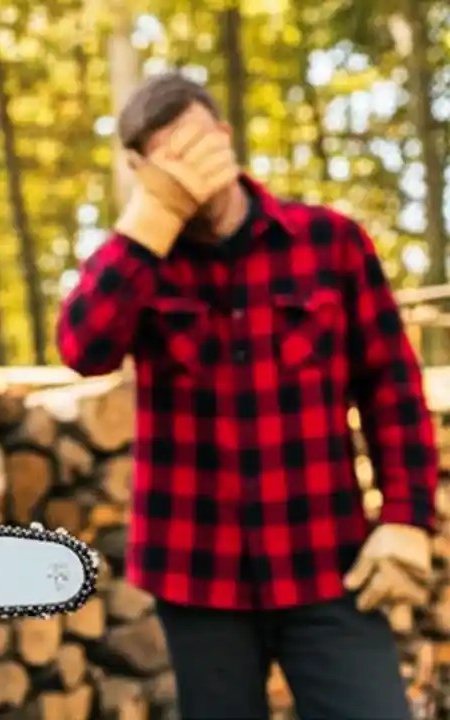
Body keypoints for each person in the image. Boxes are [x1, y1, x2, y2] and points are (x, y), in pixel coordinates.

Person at [55, 71, 437, 719]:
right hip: (196, 576)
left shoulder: (331, 243)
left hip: (327, 564)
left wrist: (406, 515)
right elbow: (82, 348)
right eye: (167, 158)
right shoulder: (139, 262)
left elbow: (390, 386)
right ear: (141, 171)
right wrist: (153, 216)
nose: (191, 170)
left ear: (225, 138)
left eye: (196, 144)